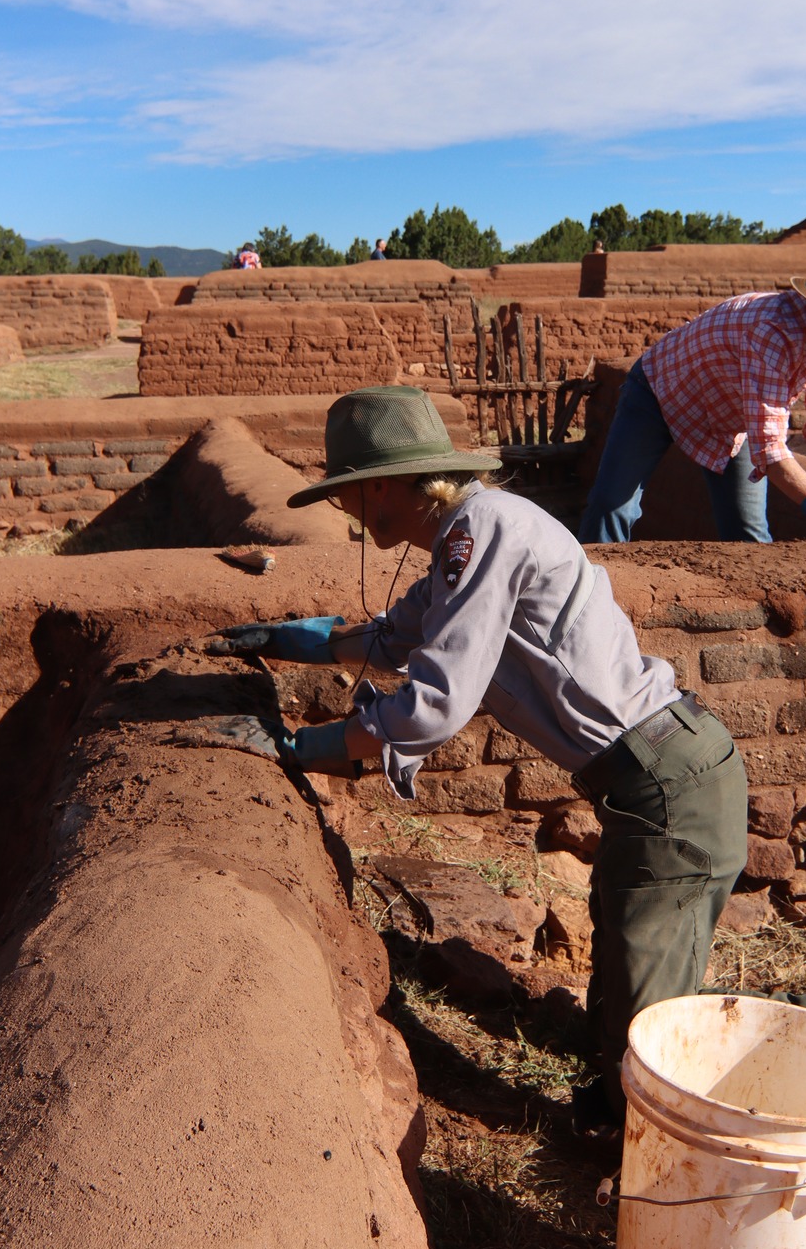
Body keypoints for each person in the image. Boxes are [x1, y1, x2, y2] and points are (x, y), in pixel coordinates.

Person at [207, 385, 748, 1137]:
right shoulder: (466, 539)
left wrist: (307, 749)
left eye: (348, 494)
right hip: (654, 776)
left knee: (650, 1028)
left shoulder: (480, 531)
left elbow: (433, 704)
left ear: (385, 487)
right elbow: (396, 637)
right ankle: (614, 1107)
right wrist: (290, 639)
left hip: (669, 782)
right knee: (626, 994)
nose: (348, 513)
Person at [579, 253, 806, 546]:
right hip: (661, 391)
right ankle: (591, 582)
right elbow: (770, 451)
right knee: (613, 506)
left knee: (749, 532)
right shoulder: (772, 331)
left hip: (730, 419)